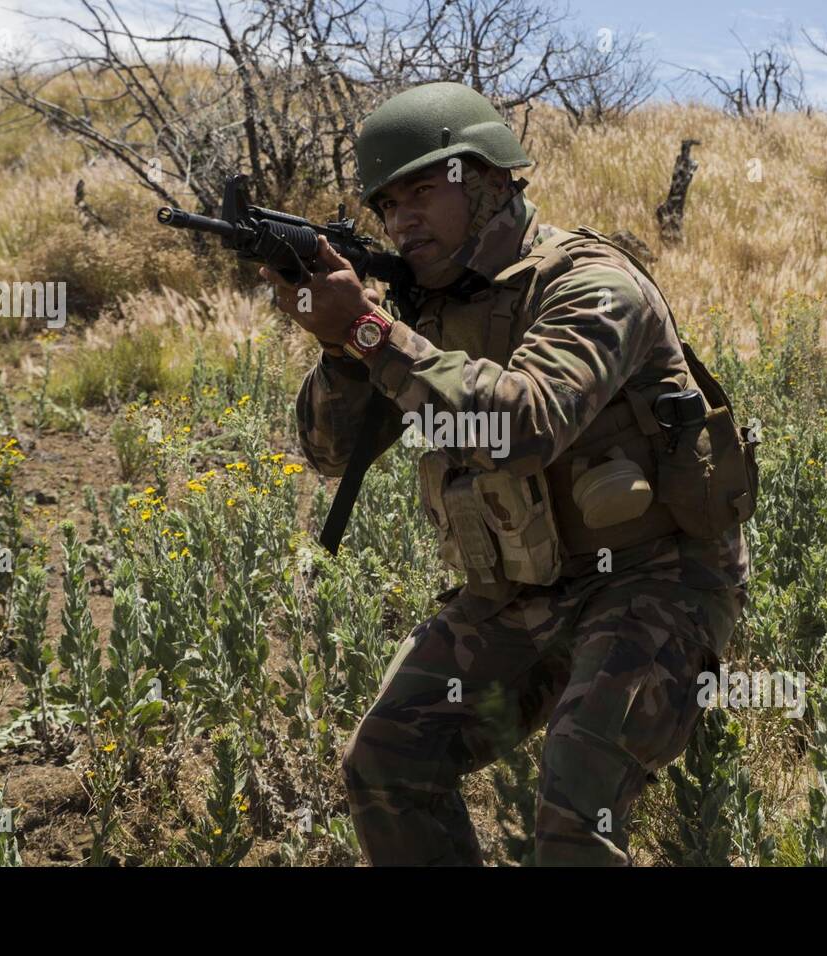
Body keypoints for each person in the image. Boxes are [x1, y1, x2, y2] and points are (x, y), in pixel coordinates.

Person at [261, 81, 753, 865]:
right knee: (387, 760)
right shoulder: (425, 304)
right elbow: (327, 455)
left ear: (489, 179)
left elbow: (524, 426)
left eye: (423, 190)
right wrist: (342, 346)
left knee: (575, 796)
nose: (401, 218)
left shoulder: (591, 284)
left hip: (655, 582)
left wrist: (370, 329)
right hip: (523, 587)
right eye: (388, 203)